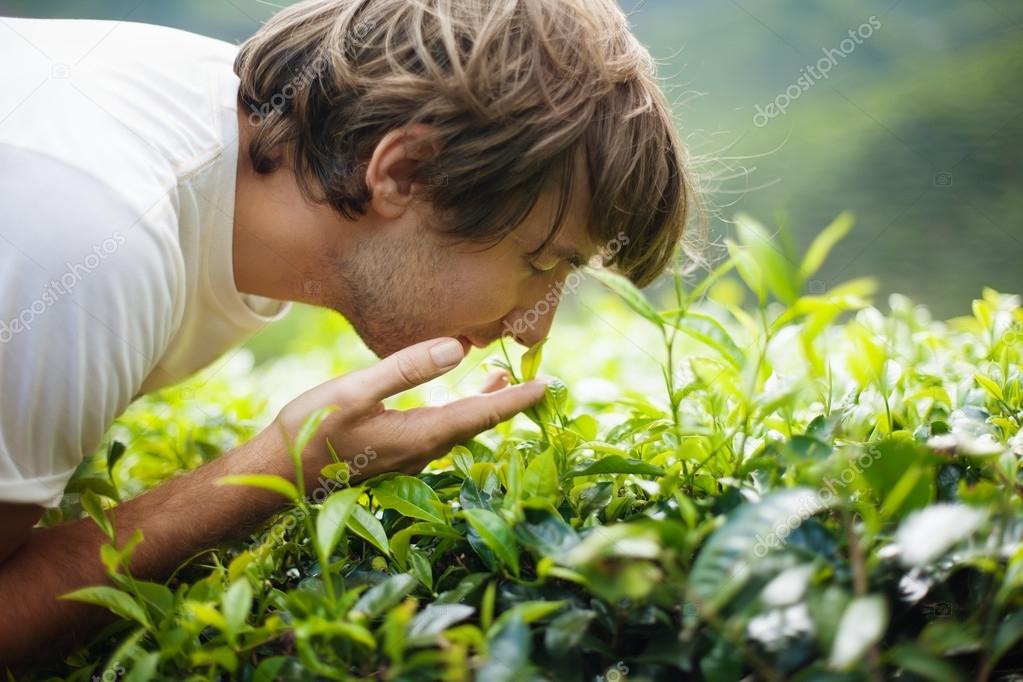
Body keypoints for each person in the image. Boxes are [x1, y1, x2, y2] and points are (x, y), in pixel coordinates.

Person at [0, 0, 693, 661]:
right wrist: (285, 463)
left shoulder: (217, 134)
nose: (532, 328)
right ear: (405, 172)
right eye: (539, 263)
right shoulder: (90, 234)